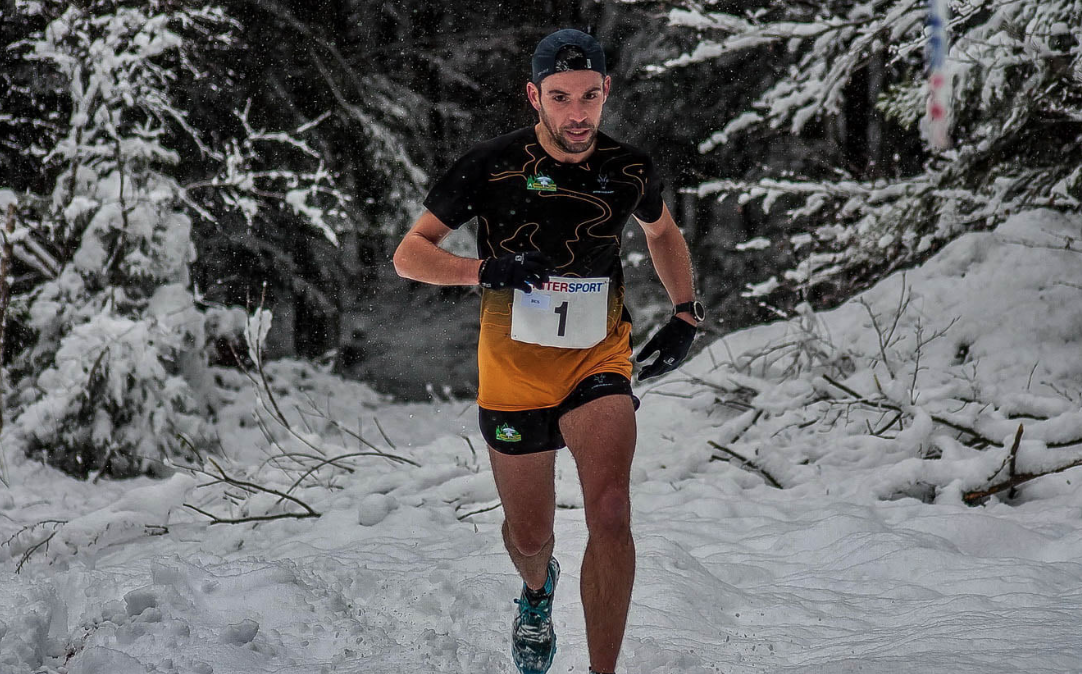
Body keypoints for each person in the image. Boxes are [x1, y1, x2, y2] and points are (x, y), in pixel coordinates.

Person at [393, 28, 704, 674]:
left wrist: (685, 312)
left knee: (612, 510)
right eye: (560, 97)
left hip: (598, 361)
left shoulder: (626, 168)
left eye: (589, 96)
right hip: (513, 377)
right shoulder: (490, 165)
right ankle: (537, 591)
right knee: (531, 537)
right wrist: (483, 270)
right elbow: (409, 254)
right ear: (534, 96)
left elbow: (663, 232)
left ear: (606, 92)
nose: (576, 113)